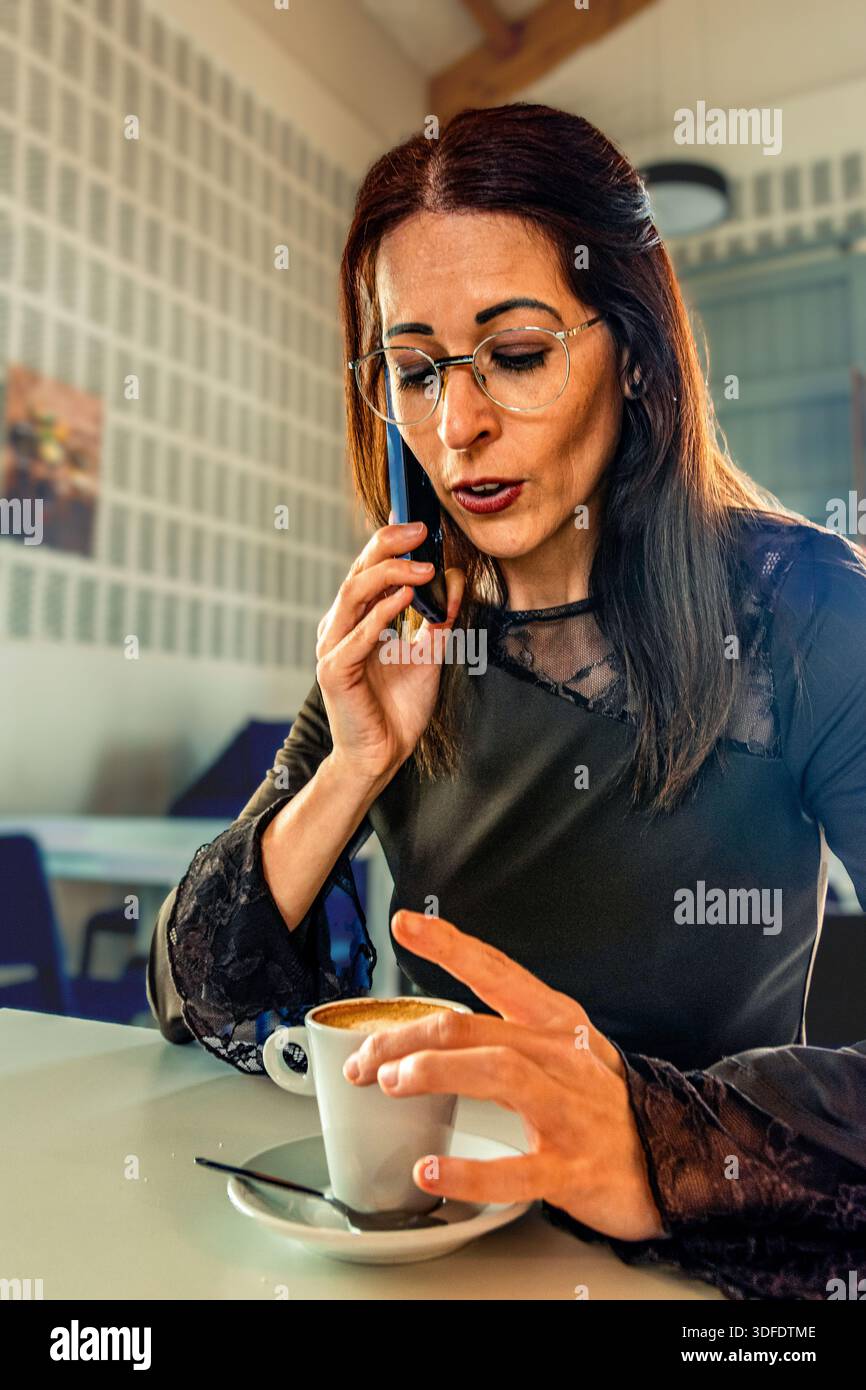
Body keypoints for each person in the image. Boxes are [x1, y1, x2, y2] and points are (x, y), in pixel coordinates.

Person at [147, 104, 866, 1300]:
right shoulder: (404, 631)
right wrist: (351, 763)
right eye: (415, 369)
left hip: (682, 1269)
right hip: (413, 1252)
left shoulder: (802, 611)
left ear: (631, 352)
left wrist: (643, 1134)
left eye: (517, 355)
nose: (456, 424)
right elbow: (191, 991)